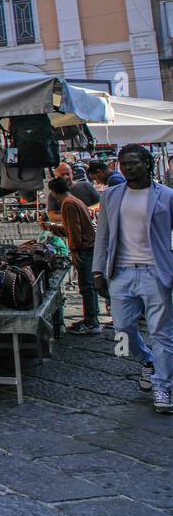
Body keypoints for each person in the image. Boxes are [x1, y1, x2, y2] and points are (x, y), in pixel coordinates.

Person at [92, 144, 173, 414]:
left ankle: (163, 385)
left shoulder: (167, 196)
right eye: (123, 163)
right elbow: (102, 236)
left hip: (155, 272)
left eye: (133, 163)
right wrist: (97, 271)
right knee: (122, 330)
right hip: (121, 273)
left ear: (147, 164)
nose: (127, 167)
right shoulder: (112, 195)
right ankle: (149, 361)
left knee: (162, 332)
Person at [42, 177, 101, 334]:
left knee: (86, 286)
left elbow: (75, 231)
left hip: (84, 249)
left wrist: (74, 252)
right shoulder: (73, 200)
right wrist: (50, 228)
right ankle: (91, 319)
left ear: (53, 192)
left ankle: (92, 322)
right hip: (87, 247)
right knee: (88, 285)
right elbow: (70, 229)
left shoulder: (68, 204)